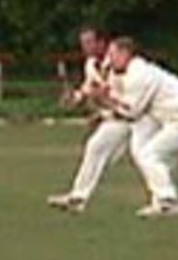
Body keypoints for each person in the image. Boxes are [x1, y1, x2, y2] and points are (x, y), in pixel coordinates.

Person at [96, 37, 178, 218]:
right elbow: (129, 109)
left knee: (150, 154)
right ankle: (160, 202)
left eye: (112, 54)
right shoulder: (135, 73)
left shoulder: (141, 74)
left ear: (125, 53)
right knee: (158, 159)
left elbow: (133, 112)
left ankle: (168, 200)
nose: (110, 59)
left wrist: (105, 99)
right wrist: (105, 107)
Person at [46, 26, 154, 213]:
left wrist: (101, 108)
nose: (85, 47)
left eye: (89, 42)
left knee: (147, 156)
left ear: (101, 43)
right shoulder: (91, 65)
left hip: (144, 115)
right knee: (95, 147)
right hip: (119, 117)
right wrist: (76, 98)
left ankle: (163, 199)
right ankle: (78, 198)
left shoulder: (121, 61)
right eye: (82, 43)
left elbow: (122, 92)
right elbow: (90, 89)